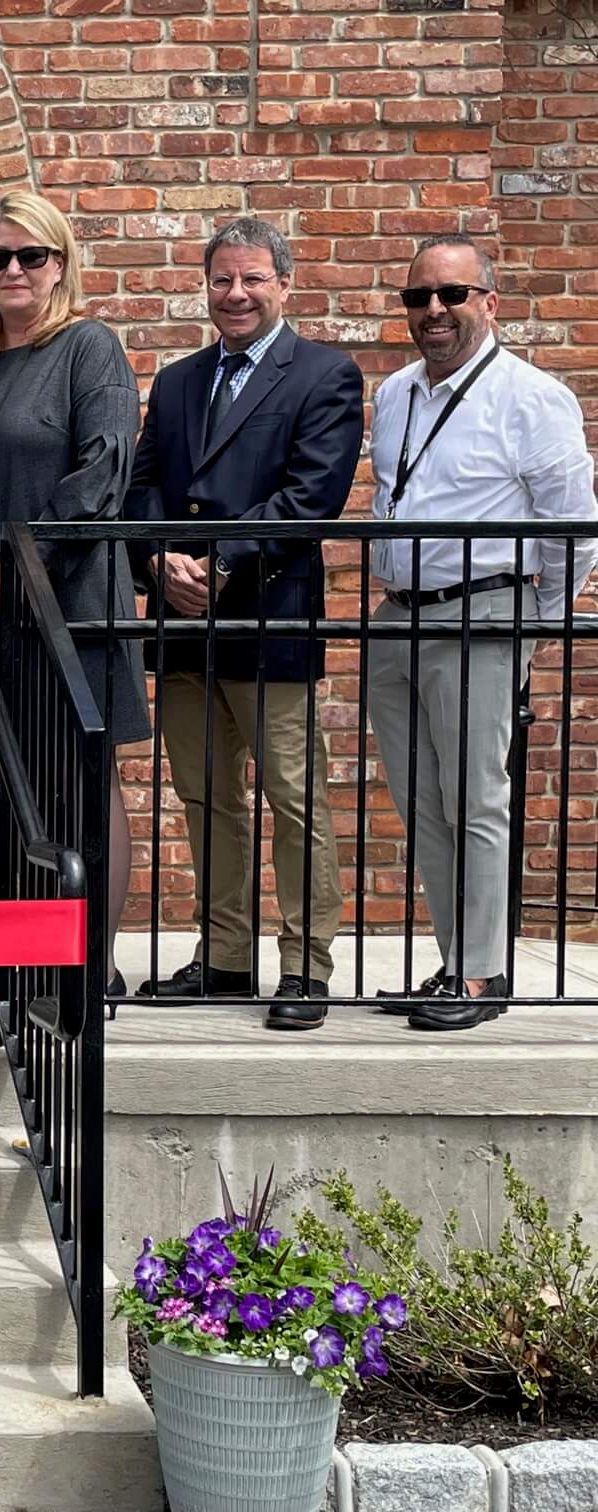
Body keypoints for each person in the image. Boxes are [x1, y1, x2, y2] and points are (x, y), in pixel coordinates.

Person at [0, 190, 150, 1006]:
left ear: (59, 265)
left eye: (31, 256)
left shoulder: (89, 349)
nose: (13, 270)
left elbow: (104, 472)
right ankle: (27, 966)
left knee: (81, 785)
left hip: (73, 605)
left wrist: (24, 567)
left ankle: (89, 968)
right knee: (11, 786)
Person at [125, 217, 363, 1030]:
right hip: (181, 621)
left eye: (253, 279)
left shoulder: (324, 376)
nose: (236, 294)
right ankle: (225, 959)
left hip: (271, 618)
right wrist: (159, 564)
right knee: (206, 797)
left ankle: (305, 968)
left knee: (294, 799)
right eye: (223, 279)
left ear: (283, 286)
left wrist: (218, 565)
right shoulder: (181, 379)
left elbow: (311, 497)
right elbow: (143, 484)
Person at [365, 233, 598, 1032]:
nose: (433, 310)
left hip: (482, 610)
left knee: (477, 800)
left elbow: (574, 527)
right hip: (398, 617)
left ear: (489, 303)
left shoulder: (531, 396)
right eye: (417, 297)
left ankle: (480, 975)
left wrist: (529, 625)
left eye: (451, 294)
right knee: (423, 802)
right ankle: (451, 960)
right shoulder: (394, 394)